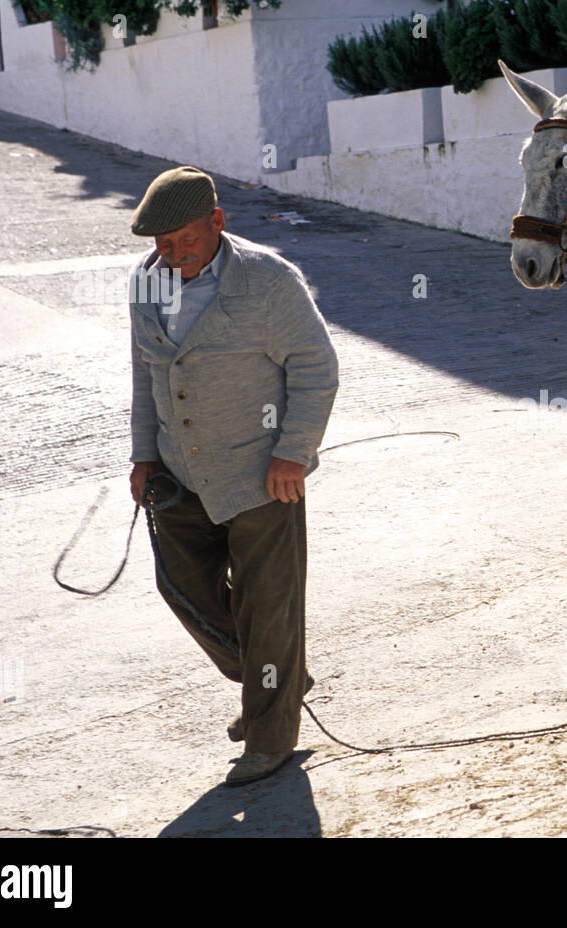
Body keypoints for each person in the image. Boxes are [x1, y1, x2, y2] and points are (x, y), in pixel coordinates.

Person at [126, 166, 338, 786]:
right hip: (178, 474)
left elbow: (316, 367)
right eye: (161, 245)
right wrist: (143, 455)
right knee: (181, 588)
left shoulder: (268, 281)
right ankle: (279, 677)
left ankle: (270, 740)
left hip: (262, 477)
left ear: (217, 222)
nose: (171, 255)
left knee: (266, 609)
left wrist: (294, 452)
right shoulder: (146, 284)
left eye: (183, 240)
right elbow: (144, 374)